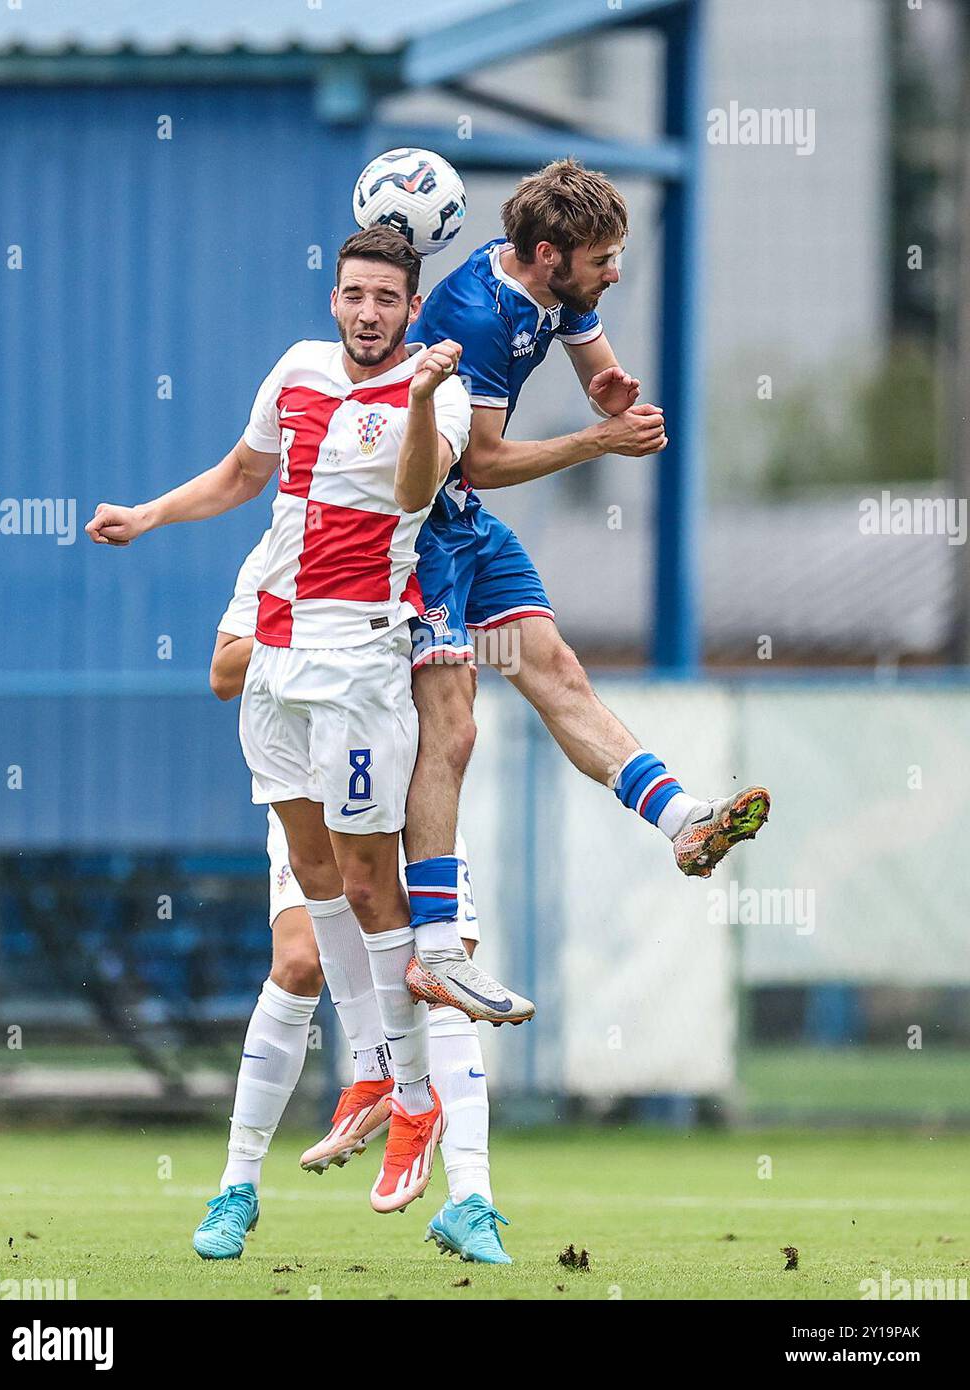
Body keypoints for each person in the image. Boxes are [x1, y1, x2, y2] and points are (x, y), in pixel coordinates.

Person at [86, 226, 528, 1220]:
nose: (368, 312)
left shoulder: (441, 391)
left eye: (386, 298)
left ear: (412, 309)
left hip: (363, 667)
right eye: (353, 294)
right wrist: (149, 514)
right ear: (335, 298)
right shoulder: (293, 369)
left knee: (375, 886)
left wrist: (416, 398)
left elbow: (416, 492)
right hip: (275, 666)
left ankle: (415, 1101)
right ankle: (365, 1083)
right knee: (317, 880)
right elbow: (243, 473)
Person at [399, 159, 770, 955]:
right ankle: (433, 936)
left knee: (555, 670)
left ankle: (683, 824)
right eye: (603, 261)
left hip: (466, 526)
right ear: (545, 256)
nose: (616, 272)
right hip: (415, 538)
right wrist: (602, 438)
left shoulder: (553, 284)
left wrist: (610, 394)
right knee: (452, 722)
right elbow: (484, 461)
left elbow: (598, 366)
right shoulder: (478, 314)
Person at [190, 529, 510, 1263]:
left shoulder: (417, 543)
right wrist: (312, 638)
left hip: (409, 794)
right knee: (299, 962)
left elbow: (475, 657)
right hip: (314, 779)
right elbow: (223, 670)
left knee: (446, 968)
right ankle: (237, 1188)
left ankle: (472, 1199)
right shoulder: (273, 548)